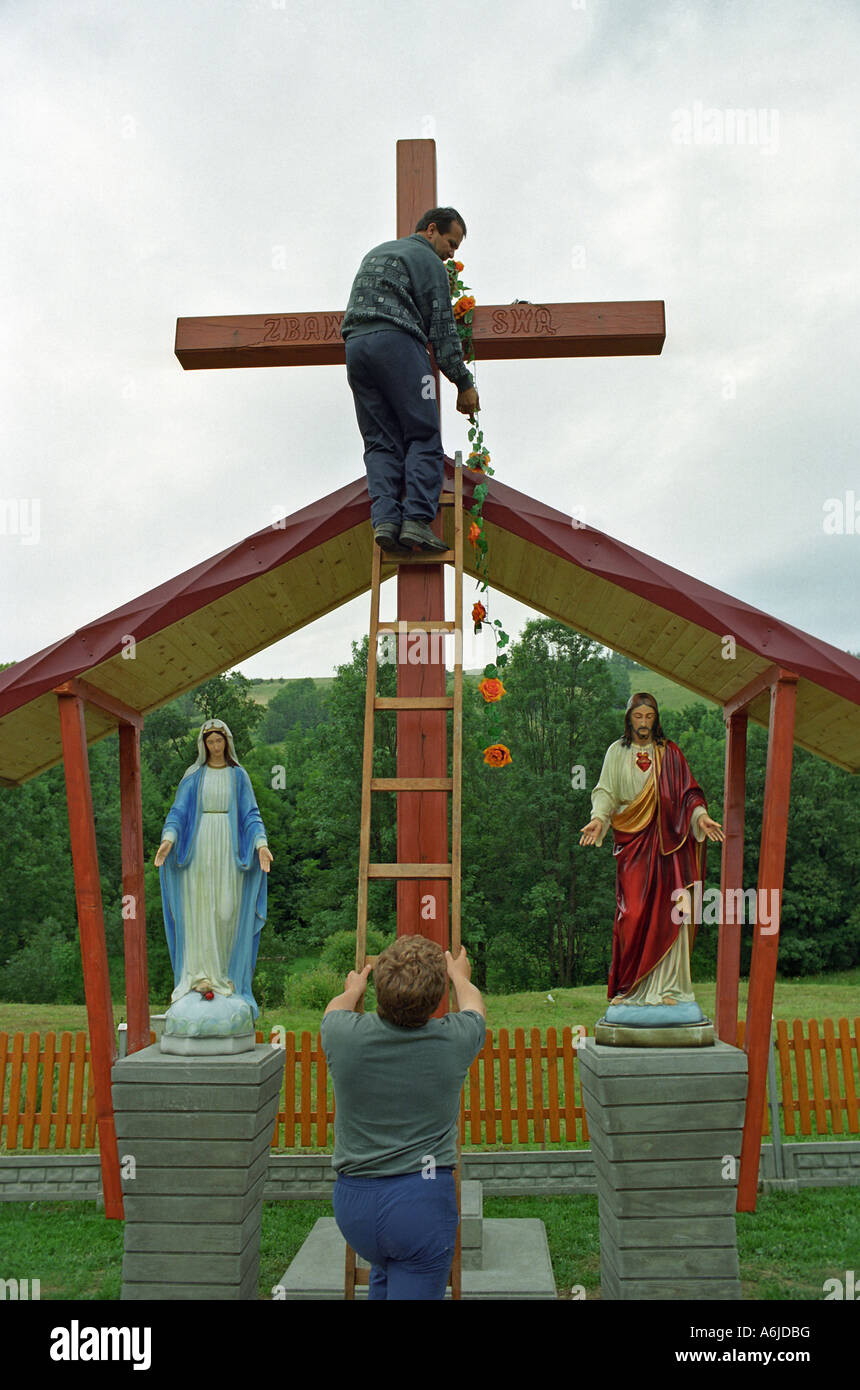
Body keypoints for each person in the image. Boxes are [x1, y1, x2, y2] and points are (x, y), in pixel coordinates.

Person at [320, 936, 485, 1300]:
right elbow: (474, 1007)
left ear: (379, 987)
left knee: (384, 1275)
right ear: (437, 997)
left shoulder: (342, 1035)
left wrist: (352, 988)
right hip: (420, 1204)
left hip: (355, 1207)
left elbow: (334, 1008)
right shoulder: (455, 1040)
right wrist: (460, 976)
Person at [341, 207, 481, 556]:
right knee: (423, 432)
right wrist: (464, 383)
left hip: (357, 349)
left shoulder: (376, 252)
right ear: (431, 230)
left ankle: (386, 521)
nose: (452, 254)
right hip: (400, 348)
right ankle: (417, 522)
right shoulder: (428, 262)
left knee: (380, 441)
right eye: (451, 243)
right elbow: (443, 330)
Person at [579, 693, 724, 1019]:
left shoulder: (669, 752)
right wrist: (599, 818)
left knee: (673, 910)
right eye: (638, 717)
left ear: (655, 719)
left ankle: (672, 989)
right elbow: (605, 791)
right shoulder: (617, 752)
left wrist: (700, 816)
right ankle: (629, 989)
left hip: (668, 846)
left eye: (649, 717)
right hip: (634, 843)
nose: (643, 723)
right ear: (629, 718)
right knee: (631, 914)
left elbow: (689, 793)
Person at [154, 719, 273, 1040]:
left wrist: (261, 844)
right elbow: (178, 812)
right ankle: (200, 977)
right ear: (203, 745)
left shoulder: (238, 776)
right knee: (198, 913)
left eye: (219, 741)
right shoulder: (194, 777)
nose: (215, 747)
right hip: (199, 849)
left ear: (227, 743)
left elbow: (251, 814)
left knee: (225, 911)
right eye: (210, 742)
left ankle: (225, 976)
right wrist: (168, 839)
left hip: (229, 851)